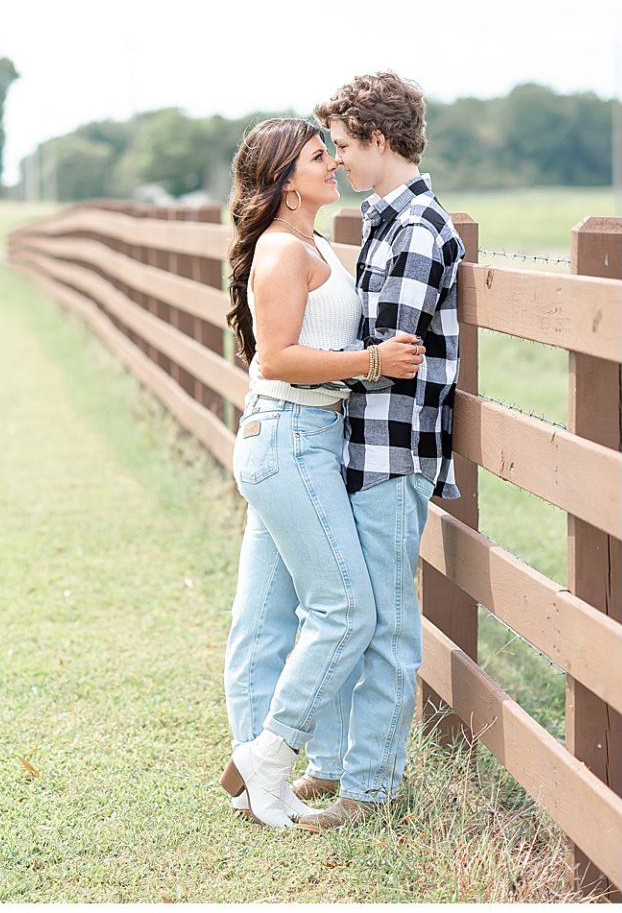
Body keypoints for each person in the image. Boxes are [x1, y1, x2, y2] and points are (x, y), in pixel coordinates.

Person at [219, 118, 425, 828]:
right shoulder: (282, 251)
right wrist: (370, 363)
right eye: (317, 158)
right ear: (285, 183)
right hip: (290, 439)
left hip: (306, 436)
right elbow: (275, 357)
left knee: (267, 615)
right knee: (346, 609)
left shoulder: (312, 243)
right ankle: (267, 758)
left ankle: (259, 781)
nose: (332, 164)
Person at [293, 73, 465, 832]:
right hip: (363, 443)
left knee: (388, 621)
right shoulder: (380, 220)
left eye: (346, 145)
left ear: (380, 141)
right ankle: (334, 766)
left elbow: (387, 346)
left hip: (395, 451)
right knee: (347, 611)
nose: (338, 159)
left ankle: (372, 787)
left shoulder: (420, 228)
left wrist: (316, 362)